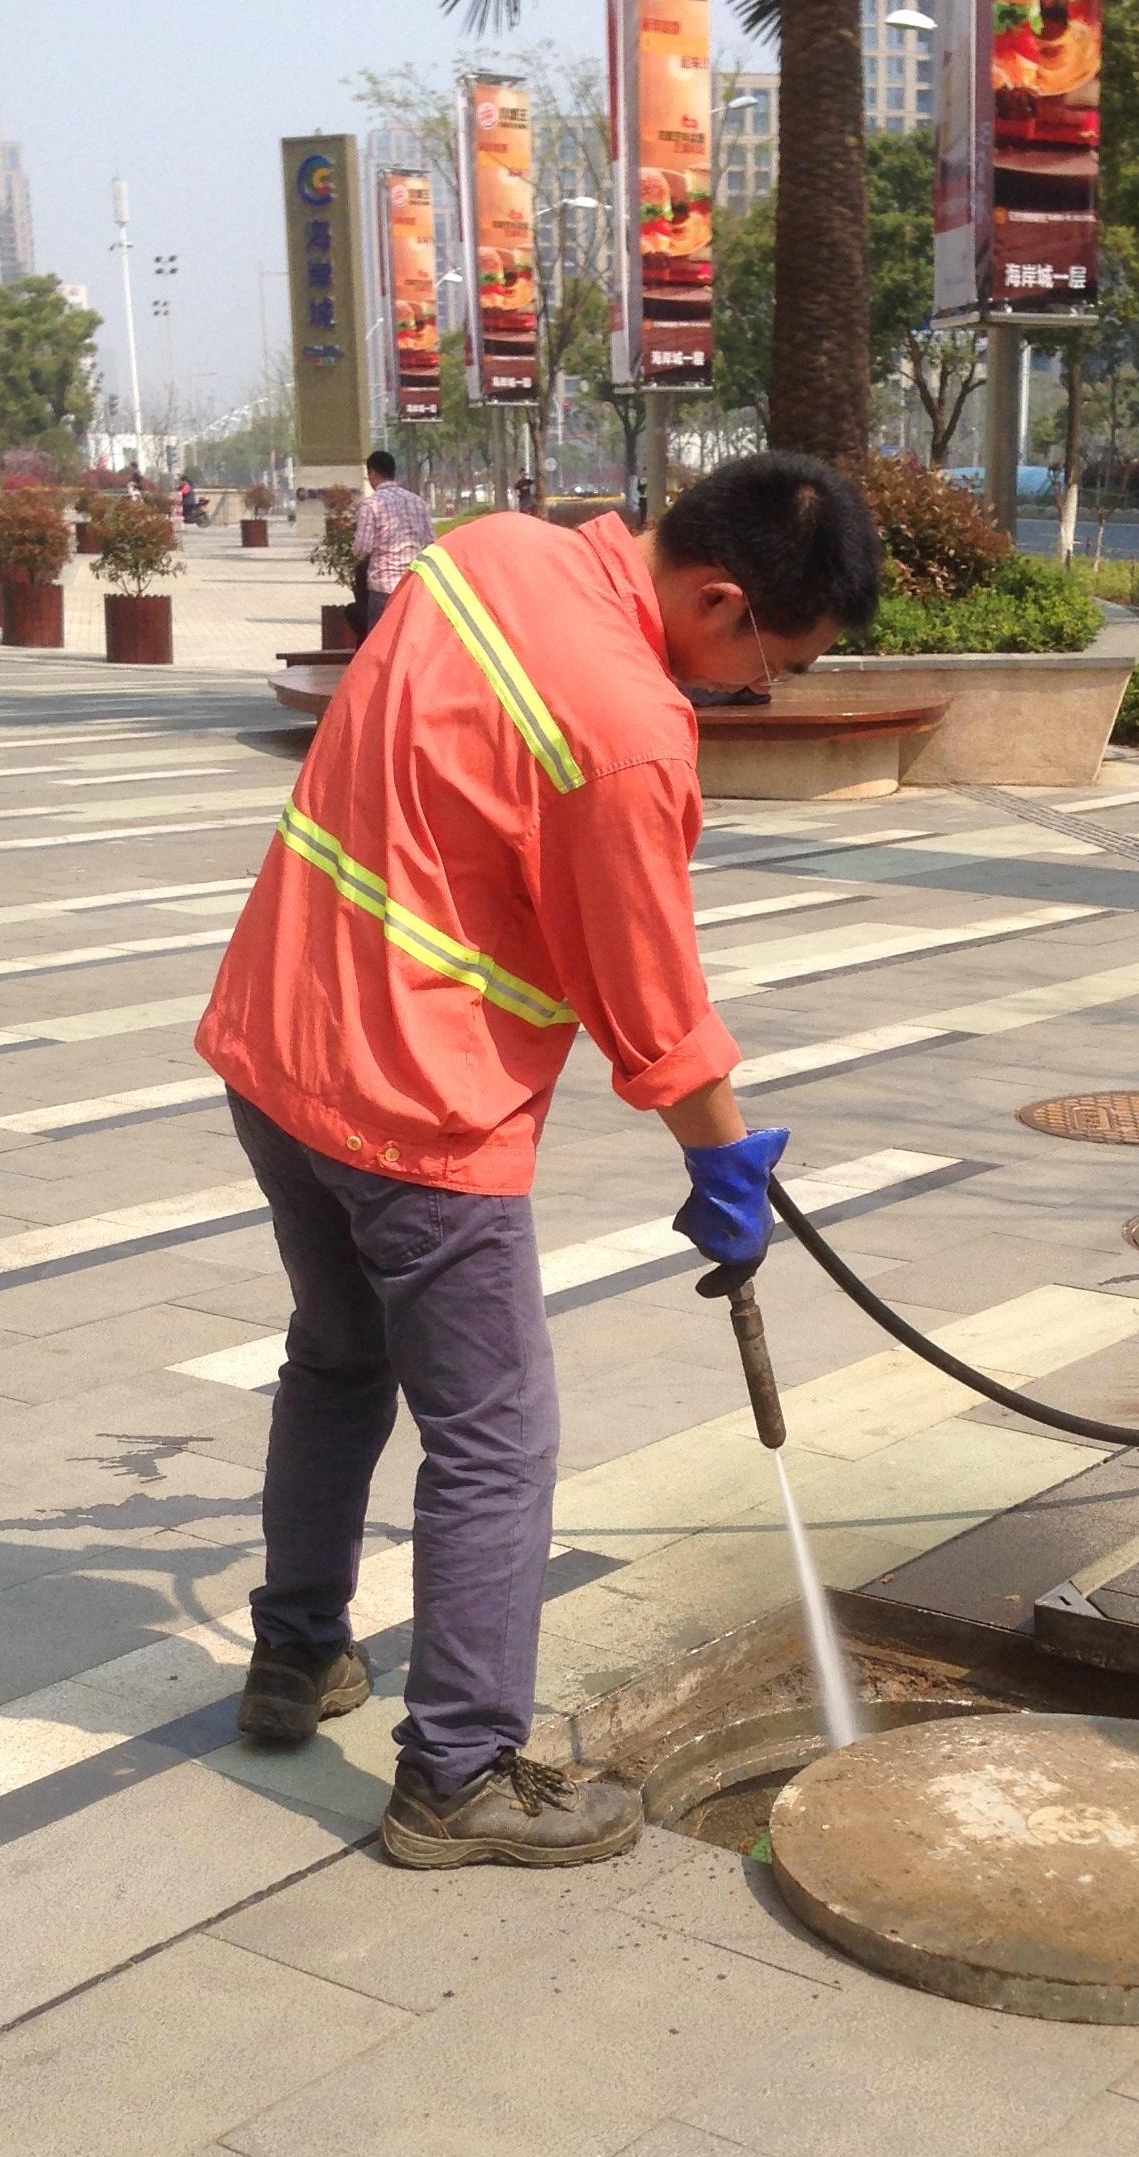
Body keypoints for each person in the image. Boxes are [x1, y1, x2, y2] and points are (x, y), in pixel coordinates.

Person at [195, 452, 882, 1870]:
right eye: (772, 665)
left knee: (337, 1358)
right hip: (418, 1110)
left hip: (279, 1043)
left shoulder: (489, 554)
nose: (759, 694)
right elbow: (655, 1004)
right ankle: (457, 1773)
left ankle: (297, 1652)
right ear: (719, 597)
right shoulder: (625, 728)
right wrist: (724, 1168)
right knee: (496, 1438)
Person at [350, 450, 435, 632]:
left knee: (381, 639)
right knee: (410, 637)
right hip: (413, 585)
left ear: (372, 474)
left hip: (383, 587)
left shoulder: (371, 505)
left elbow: (361, 548)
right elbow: (431, 543)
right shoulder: (418, 502)